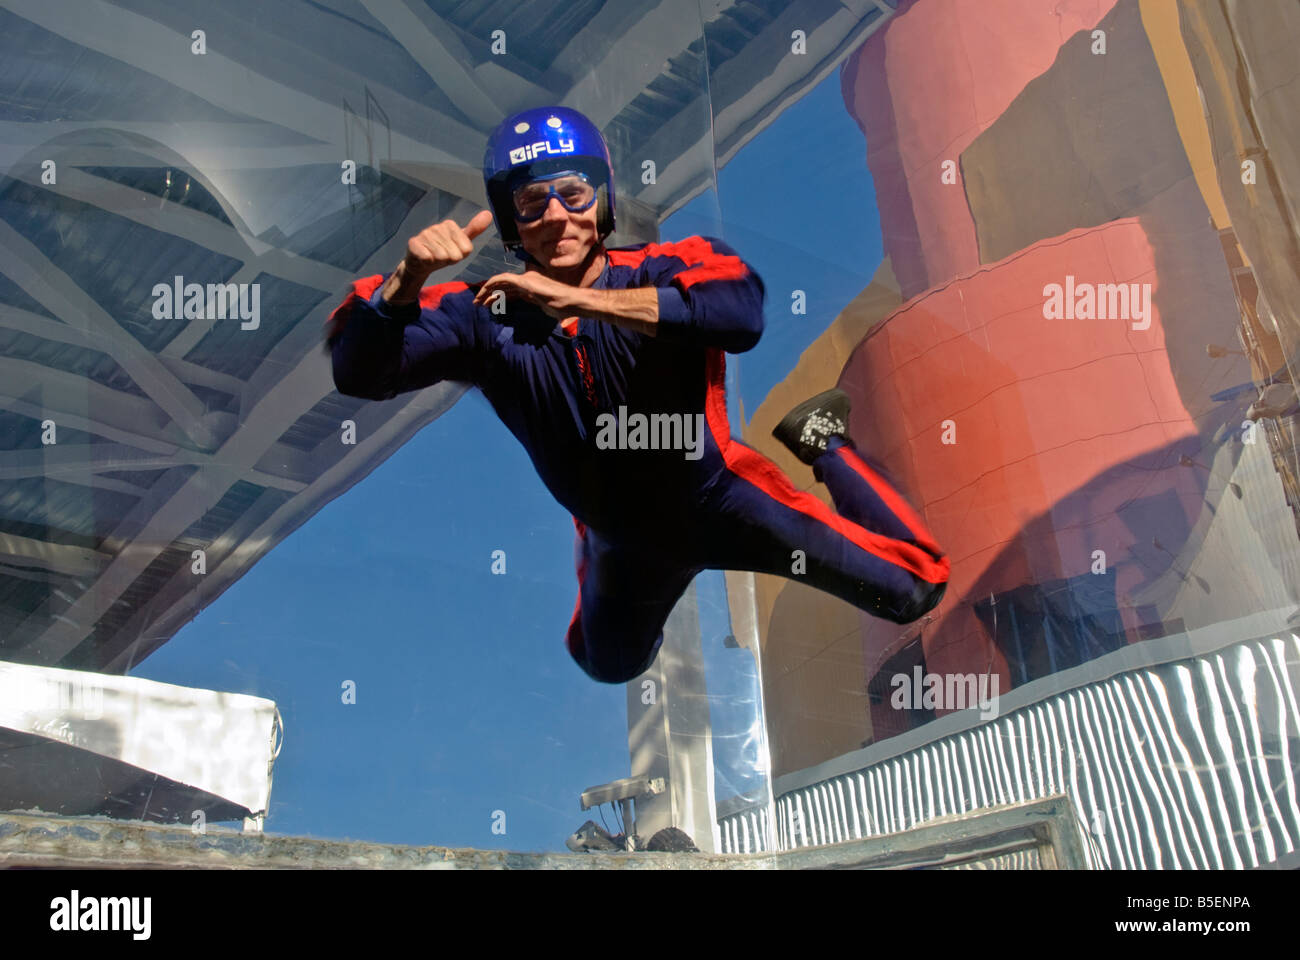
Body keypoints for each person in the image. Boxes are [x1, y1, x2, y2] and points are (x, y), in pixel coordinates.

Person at [327, 105, 949, 684]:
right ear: (511, 221)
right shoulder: (482, 311)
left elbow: (741, 312)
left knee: (913, 588)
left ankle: (825, 442)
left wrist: (585, 302)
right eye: (530, 202)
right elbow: (360, 372)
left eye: (572, 193)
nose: (556, 217)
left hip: (722, 499)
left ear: (601, 200)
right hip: (621, 538)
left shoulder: (665, 263)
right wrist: (405, 281)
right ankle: (591, 533)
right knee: (607, 663)